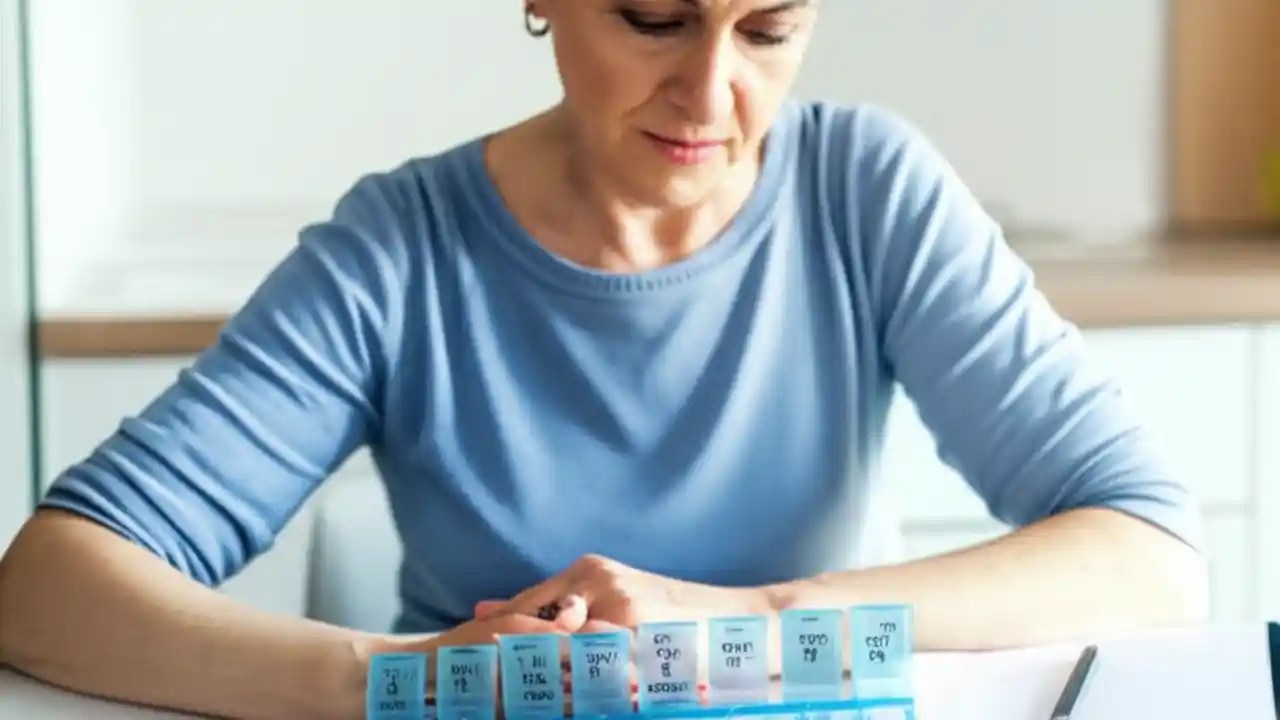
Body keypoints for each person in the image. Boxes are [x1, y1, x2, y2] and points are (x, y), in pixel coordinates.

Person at [0, 1, 1209, 718]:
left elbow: (1151, 559)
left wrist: (745, 618)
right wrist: (406, 681)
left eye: (768, 27)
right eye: (652, 16)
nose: (712, 92)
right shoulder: (399, 249)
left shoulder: (864, 191)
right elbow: (51, 586)